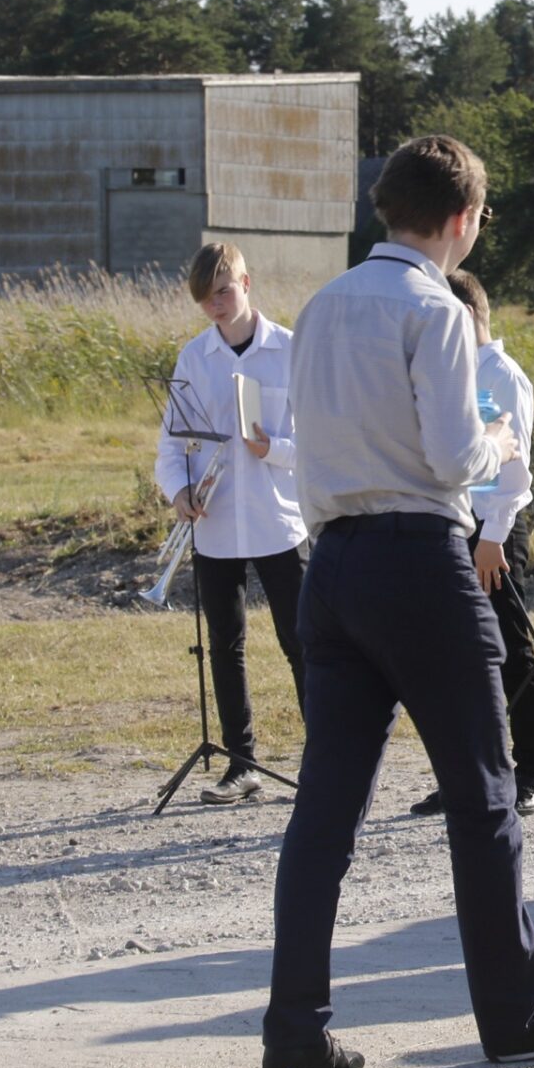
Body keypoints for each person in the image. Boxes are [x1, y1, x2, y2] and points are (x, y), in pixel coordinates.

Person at [262, 136, 534, 1068]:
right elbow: (455, 454)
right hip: (420, 557)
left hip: (328, 564)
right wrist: (501, 439)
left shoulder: (321, 304)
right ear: (462, 220)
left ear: (387, 207)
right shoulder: (436, 308)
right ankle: (517, 1017)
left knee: (325, 815)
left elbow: (307, 436)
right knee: (484, 797)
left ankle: (295, 1033)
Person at [153, 241, 306, 806]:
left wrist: (274, 449)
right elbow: (170, 445)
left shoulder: (290, 350)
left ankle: (324, 764)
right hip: (214, 525)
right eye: (204, 297)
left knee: (302, 642)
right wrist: (180, 491)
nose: (215, 305)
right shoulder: (194, 358)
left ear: (247, 282)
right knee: (225, 646)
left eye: (222, 290)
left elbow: (318, 440)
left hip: (280, 521)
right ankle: (242, 764)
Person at [409, 270, 534, 818]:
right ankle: (467, 773)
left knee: (511, 651)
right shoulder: (448, 375)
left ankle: (533, 771)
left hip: (495, 527)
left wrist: (491, 541)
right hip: (451, 524)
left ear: (465, 317)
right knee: (456, 656)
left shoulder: (502, 374)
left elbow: (514, 476)